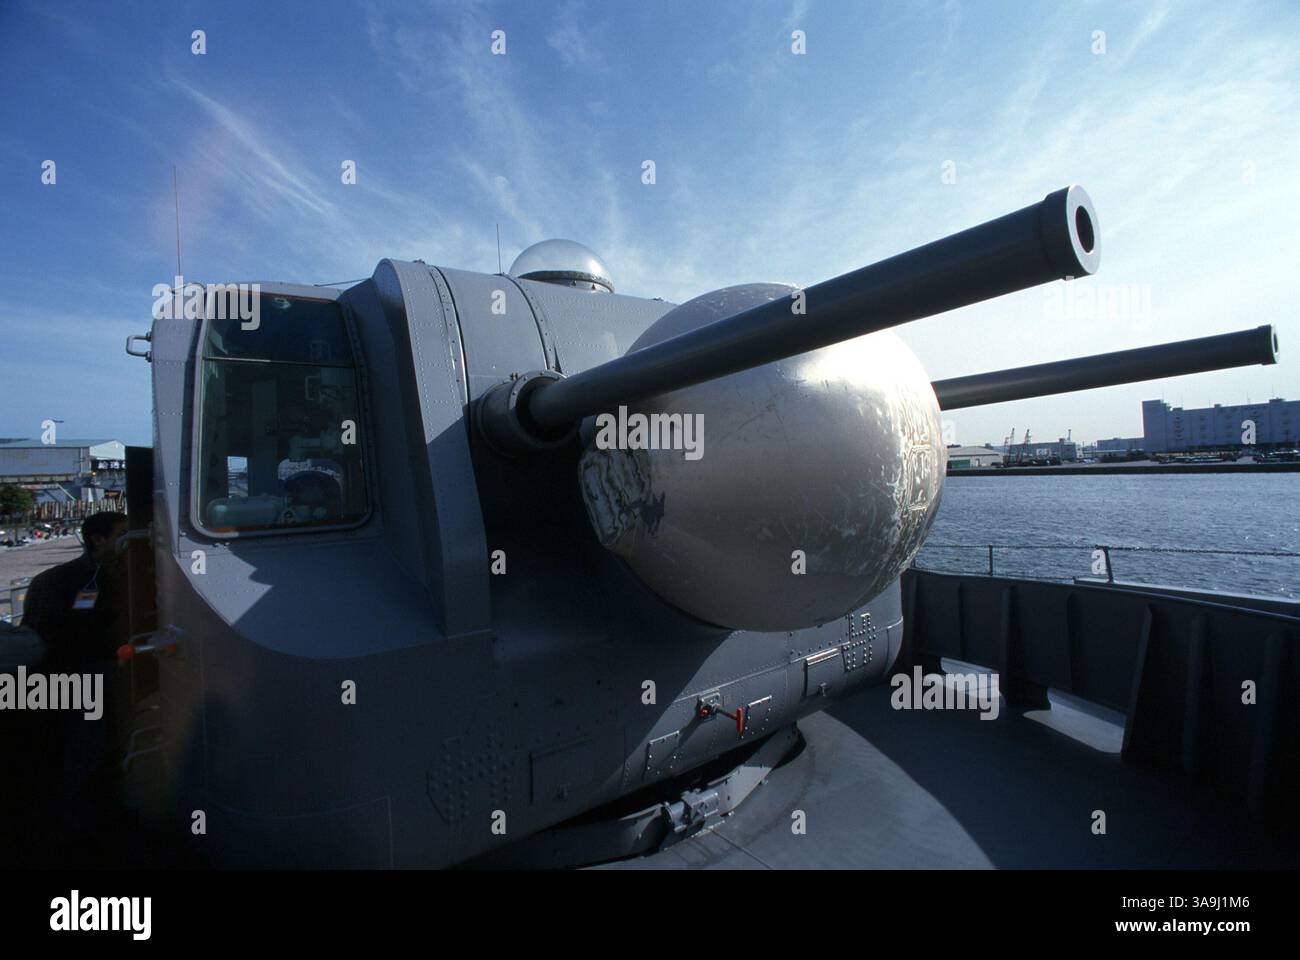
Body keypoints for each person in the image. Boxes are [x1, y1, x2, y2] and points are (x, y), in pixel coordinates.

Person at [22, 510, 129, 840]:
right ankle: (76, 821)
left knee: (109, 744)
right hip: (78, 675)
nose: (130, 539)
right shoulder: (61, 580)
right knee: (86, 747)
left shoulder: (128, 574)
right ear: (98, 539)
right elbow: (42, 631)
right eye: (122, 533)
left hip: (108, 672)